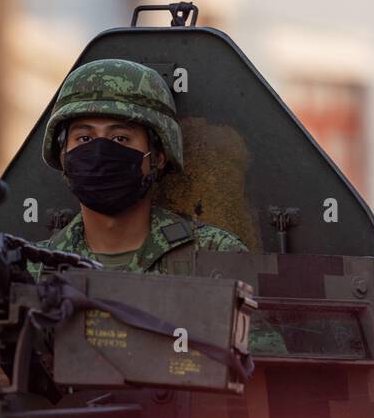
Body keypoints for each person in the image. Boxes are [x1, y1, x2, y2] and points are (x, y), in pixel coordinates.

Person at [38, 57, 247, 272]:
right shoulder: (32, 268)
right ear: (63, 155)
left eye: (120, 138)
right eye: (84, 139)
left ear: (158, 156)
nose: (99, 151)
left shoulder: (214, 256)